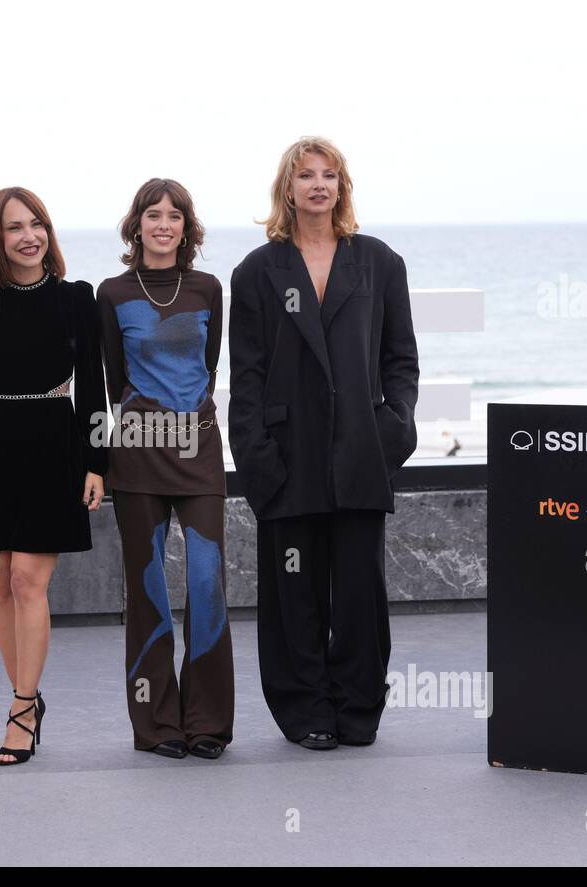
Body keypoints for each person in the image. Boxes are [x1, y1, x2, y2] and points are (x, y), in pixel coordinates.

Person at [228, 136, 419, 750]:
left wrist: (395, 430)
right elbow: (247, 375)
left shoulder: (379, 263)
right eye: (306, 175)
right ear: (288, 187)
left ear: (342, 187)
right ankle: (306, 708)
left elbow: (402, 362)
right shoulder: (257, 272)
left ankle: (358, 706)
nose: (318, 184)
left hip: (362, 453)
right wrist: (256, 457)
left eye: (329, 175)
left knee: (359, 590)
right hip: (287, 457)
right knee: (294, 592)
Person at [0, 187, 107, 765]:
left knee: (27, 583)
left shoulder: (74, 299)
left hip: (53, 444)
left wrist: (97, 462)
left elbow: (94, 384)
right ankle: (28, 699)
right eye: (14, 227)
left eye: (36, 224)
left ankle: (21, 707)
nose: (28, 236)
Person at [97, 179, 233, 759]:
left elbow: (207, 365)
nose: (163, 224)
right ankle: (157, 725)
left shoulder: (207, 288)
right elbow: (110, 381)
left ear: (187, 227)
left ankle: (207, 722)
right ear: (137, 225)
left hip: (198, 451)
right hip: (136, 454)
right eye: (153, 215)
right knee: (148, 589)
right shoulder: (111, 292)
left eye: (174, 216)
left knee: (205, 583)